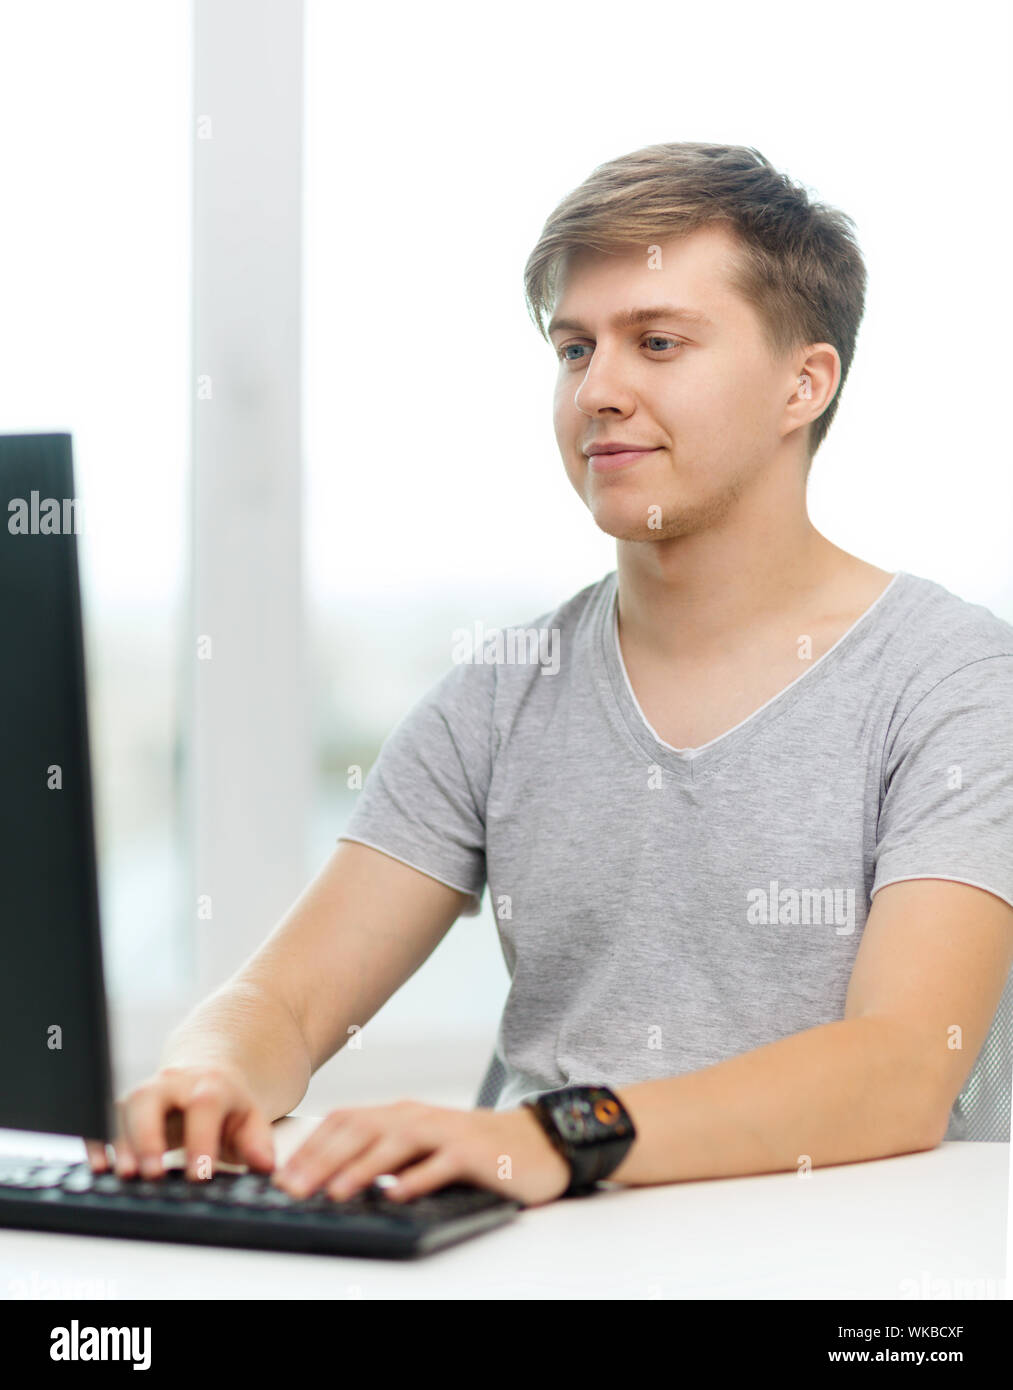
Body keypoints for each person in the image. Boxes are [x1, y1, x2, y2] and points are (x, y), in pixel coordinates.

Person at [88, 141, 1013, 1208]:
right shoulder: (499, 695)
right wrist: (205, 1078)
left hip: (832, 1263)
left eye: (656, 342)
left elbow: (896, 1068)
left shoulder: (955, 681)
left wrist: (555, 1132)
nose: (599, 391)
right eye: (574, 350)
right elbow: (283, 1003)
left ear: (801, 383)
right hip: (547, 1253)